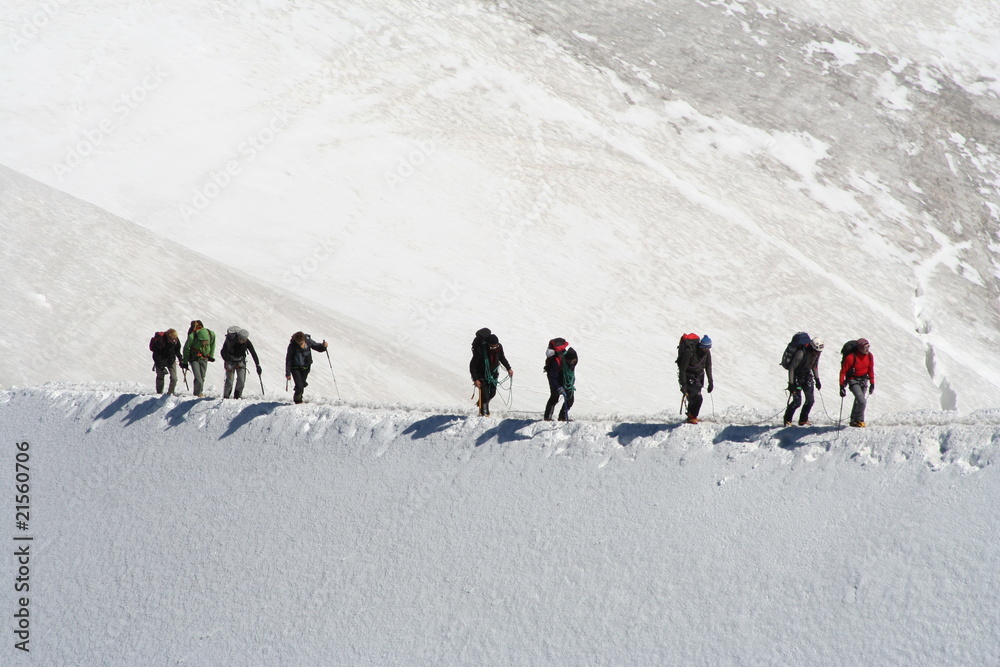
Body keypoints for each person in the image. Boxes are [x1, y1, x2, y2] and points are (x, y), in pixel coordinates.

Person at [469, 329, 513, 416]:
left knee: (492, 393)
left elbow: (502, 358)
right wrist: (476, 379)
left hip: (493, 373)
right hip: (481, 374)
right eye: (492, 347)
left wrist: (508, 368)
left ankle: (481, 403)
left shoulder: (499, 347)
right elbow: (472, 365)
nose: (494, 348)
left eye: (496, 346)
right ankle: (484, 413)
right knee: (485, 394)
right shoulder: (480, 350)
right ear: (488, 345)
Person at [784, 337, 824, 426]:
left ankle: (803, 420)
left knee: (810, 400)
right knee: (797, 402)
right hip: (797, 378)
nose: (818, 354)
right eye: (817, 352)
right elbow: (792, 368)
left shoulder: (816, 354)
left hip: (807, 377)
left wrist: (817, 379)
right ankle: (787, 420)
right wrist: (791, 384)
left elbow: (814, 366)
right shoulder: (801, 353)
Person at [840, 338, 875, 427]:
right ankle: (860, 419)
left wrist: (872, 383)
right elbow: (843, 371)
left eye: (868, 347)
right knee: (862, 401)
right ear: (859, 348)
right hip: (853, 380)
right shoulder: (851, 357)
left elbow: (870, 369)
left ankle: (853, 420)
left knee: (859, 400)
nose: (867, 349)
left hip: (864, 380)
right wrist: (841, 386)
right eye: (865, 348)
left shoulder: (870, 356)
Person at [678, 334, 713, 424]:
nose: (707, 350)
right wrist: (684, 385)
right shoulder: (689, 351)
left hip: (699, 376)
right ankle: (692, 416)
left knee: (695, 397)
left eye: (708, 348)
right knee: (698, 397)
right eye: (705, 348)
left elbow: (708, 367)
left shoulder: (706, 353)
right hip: (688, 376)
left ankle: (691, 415)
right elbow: (683, 369)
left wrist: (710, 382)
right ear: (701, 346)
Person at [285, 331, 328, 404]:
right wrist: (288, 372)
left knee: (302, 384)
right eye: (298, 342)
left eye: (301, 342)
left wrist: (324, 347)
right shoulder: (292, 346)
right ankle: (298, 400)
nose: (300, 344)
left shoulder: (308, 341)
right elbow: (288, 359)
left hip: (306, 367)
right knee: (299, 385)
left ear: (304, 339)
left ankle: (300, 394)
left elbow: (317, 346)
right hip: (295, 368)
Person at [221, 327, 261, 399]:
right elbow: (223, 351)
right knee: (229, 381)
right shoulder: (230, 340)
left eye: (244, 340)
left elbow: (253, 353)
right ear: (238, 337)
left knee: (241, 381)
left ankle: (237, 398)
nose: (243, 341)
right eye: (241, 339)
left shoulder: (247, 342)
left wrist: (257, 365)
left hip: (240, 361)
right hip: (230, 362)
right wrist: (227, 360)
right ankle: (226, 397)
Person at [543, 338, 577, 421]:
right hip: (554, 377)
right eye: (571, 362)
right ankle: (547, 418)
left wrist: (570, 383)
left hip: (564, 378)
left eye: (574, 362)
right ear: (566, 360)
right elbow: (552, 378)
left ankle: (562, 417)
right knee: (554, 397)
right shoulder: (556, 363)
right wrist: (558, 387)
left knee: (570, 398)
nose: (572, 363)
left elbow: (571, 374)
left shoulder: (573, 361)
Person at [182, 321, 216, 397]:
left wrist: (211, 355)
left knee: (202, 376)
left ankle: (199, 391)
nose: (205, 342)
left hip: (204, 357)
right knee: (198, 377)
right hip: (194, 358)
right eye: (203, 341)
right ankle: (197, 394)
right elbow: (186, 349)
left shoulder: (211, 334)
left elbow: (213, 345)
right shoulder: (192, 337)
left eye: (206, 341)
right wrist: (185, 362)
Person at [150, 329, 185, 394]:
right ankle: (159, 393)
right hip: (161, 360)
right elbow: (156, 356)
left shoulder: (176, 340)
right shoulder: (160, 341)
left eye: (174, 339)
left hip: (171, 360)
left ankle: (170, 393)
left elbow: (177, 351)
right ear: (168, 337)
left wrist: (181, 360)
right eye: (172, 339)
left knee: (174, 378)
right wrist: (161, 367)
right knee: (160, 376)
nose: (173, 341)